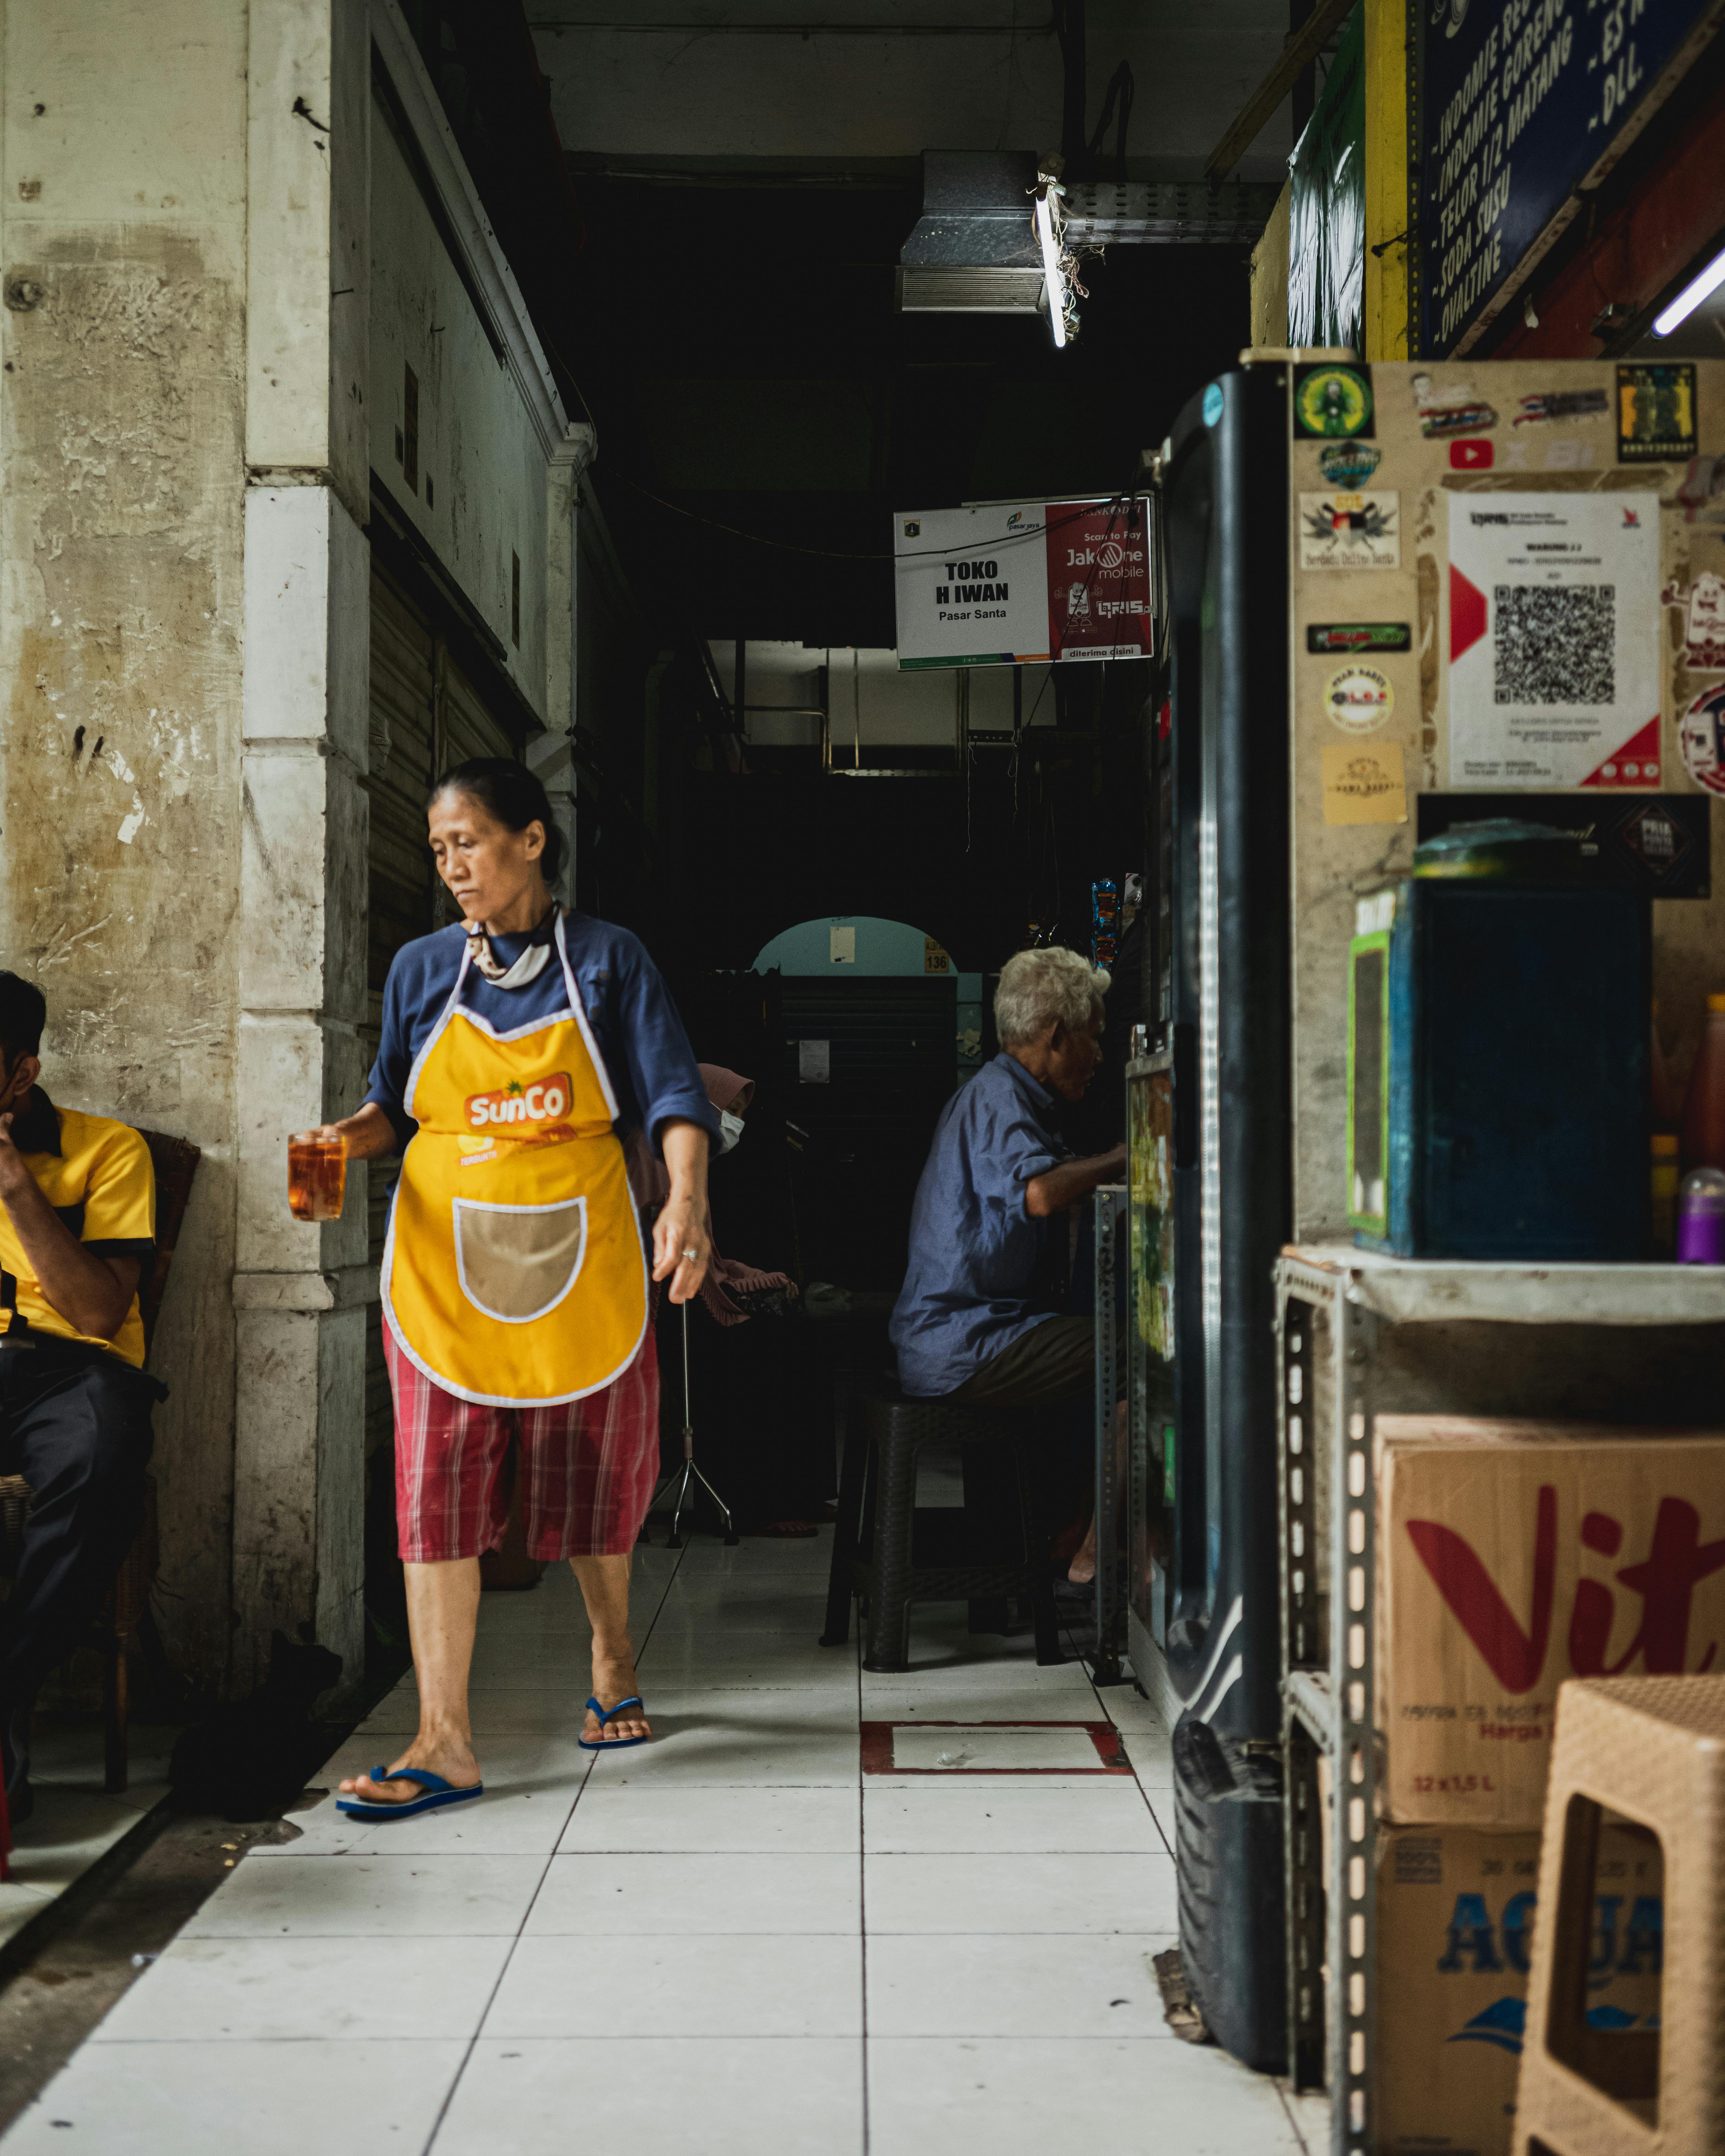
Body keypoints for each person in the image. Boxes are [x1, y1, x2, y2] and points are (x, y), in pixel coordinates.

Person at [303, 760, 720, 1822]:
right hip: (444, 1268)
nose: (451, 866)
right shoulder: (419, 969)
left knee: (591, 1472)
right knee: (432, 1487)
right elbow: (391, 1105)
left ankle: (613, 1655)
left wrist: (687, 1203)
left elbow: (673, 1093)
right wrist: (336, 1143)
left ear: (532, 840)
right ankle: (445, 1738)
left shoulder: (610, 961)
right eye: (439, 848)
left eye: (470, 842)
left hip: (583, 1258)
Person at [889, 945, 1125, 1582]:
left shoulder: (1006, 1097)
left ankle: (1068, 1527)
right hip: (962, 1340)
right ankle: (1099, 1547)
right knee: (1132, 1353)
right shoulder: (997, 1098)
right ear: (1054, 1036)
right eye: (1093, 1038)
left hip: (973, 1331)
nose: (1099, 1057)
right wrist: (1125, 1157)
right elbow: (1040, 1193)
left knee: (1085, 1343)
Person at [0, 972, 160, 1825]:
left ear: (20, 1075)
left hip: (69, 1370)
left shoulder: (110, 1150)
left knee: (105, 1456)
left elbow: (102, 1311)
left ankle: (7, 1694)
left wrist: (17, 1186)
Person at [654, 1065, 825, 1537]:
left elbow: (718, 1261)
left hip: (704, 1305)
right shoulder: (669, 1167)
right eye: (728, 1110)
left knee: (803, 1342)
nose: (735, 1122)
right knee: (765, 1356)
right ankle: (758, 1504)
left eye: (741, 1113)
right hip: (681, 1314)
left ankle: (801, 1492)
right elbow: (698, 1273)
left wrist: (756, 1278)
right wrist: (750, 1287)